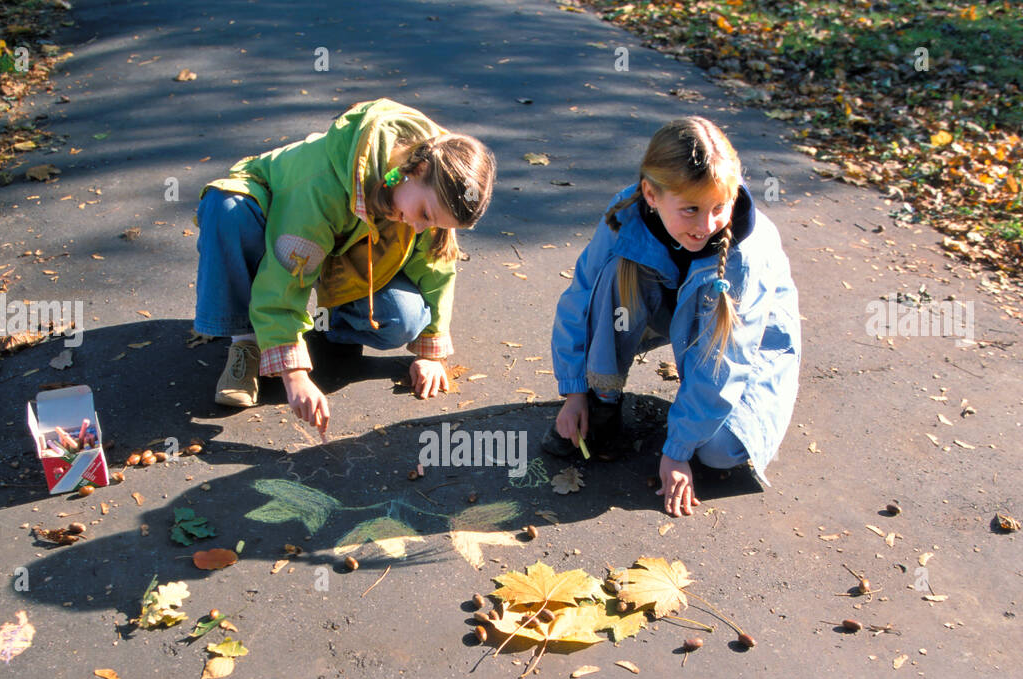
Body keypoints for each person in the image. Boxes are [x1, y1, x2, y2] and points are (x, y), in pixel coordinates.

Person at [545, 116, 800, 516]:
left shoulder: (745, 257)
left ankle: (695, 426)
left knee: (720, 452)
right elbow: (580, 298)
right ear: (650, 194)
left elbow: (725, 360)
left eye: (719, 207)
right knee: (615, 273)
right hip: (665, 306)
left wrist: (678, 449)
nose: (706, 225)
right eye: (690, 210)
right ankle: (603, 400)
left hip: (748, 341)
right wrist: (576, 390)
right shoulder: (623, 216)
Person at [194, 98, 496, 434]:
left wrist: (430, 352)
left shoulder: (429, 184)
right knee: (227, 206)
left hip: (342, 242)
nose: (422, 227)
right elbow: (284, 277)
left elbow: (437, 269)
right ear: (418, 170)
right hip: (280, 219)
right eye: (425, 215)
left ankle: (325, 324)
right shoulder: (319, 186)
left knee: (402, 319)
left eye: (434, 223)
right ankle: (247, 340)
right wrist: (294, 376)